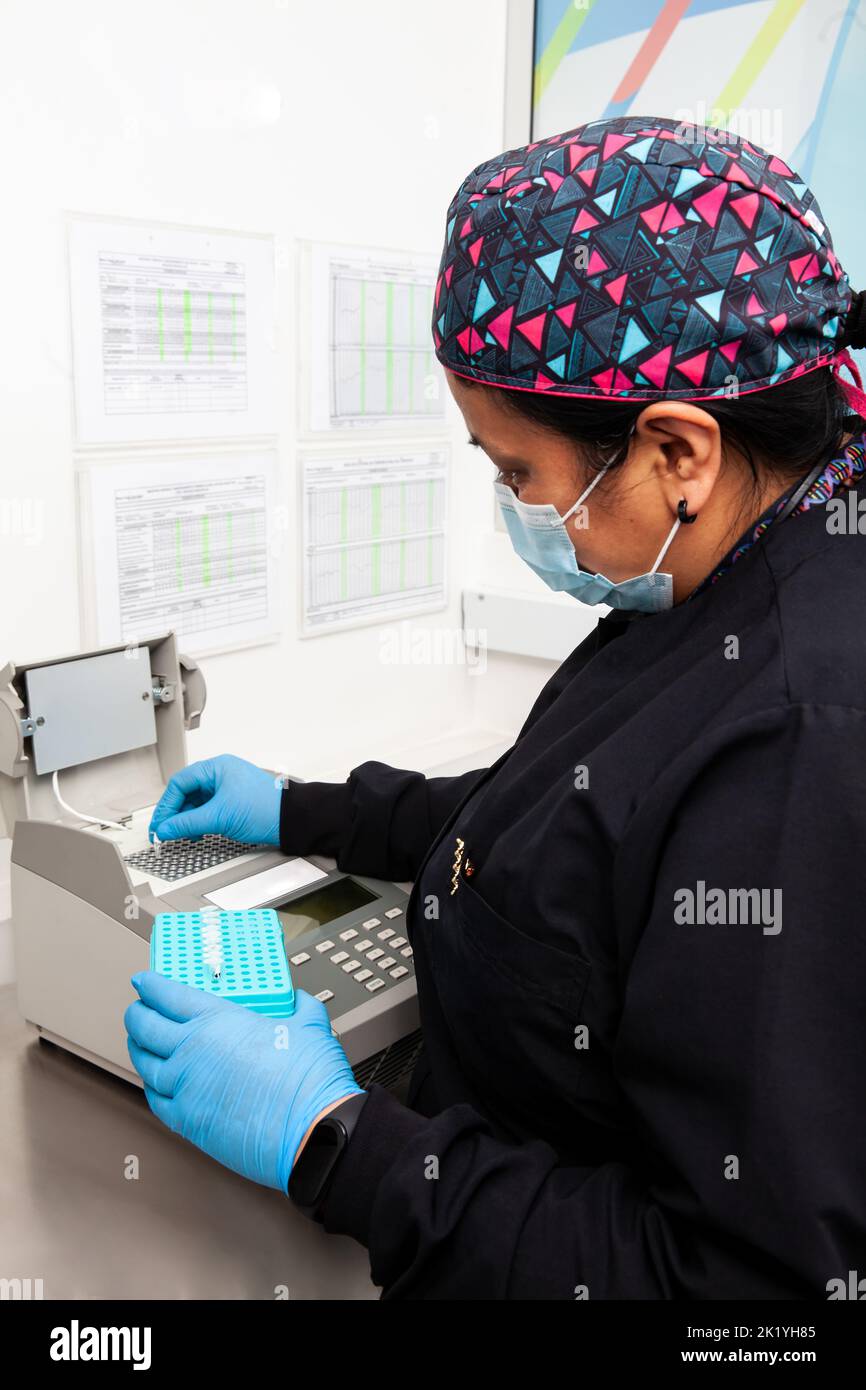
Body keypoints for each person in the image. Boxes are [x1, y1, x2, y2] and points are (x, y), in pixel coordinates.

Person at [125, 115, 866, 1299]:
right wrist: (310, 809)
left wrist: (338, 1144)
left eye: (515, 472)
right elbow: (571, 815)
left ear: (676, 449)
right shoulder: (738, 554)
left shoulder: (795, 738)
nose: (514, 505)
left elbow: (742, 1293)